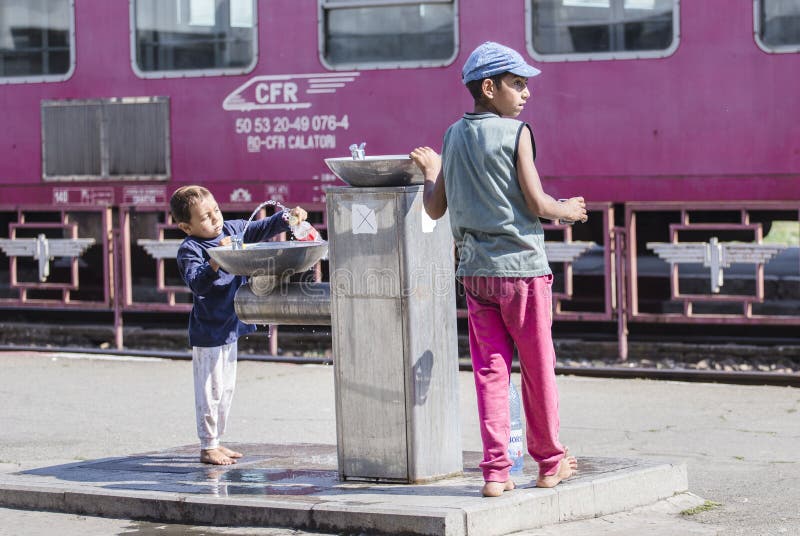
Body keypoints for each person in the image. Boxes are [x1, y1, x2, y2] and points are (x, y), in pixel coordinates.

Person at [410, 41, 587, 497]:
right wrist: (568, 210)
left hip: (476, 276)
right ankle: (549, 462)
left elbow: (433, 210)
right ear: (489, 87)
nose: (525, 93)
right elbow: (536, 202)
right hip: (522, 272)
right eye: (517, 84)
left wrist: (431, 171)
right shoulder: (517, 133)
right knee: (537, 367)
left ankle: (495, 472)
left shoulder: (451, 136)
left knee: (491, 372)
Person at [170, 185, 308, 465]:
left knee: (227, 389)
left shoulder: (232, 230)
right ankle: (207, 445)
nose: (216, 219)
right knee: (210, 390)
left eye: (216, 211)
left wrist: (286, 218)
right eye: (206, 217)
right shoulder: (190, 249)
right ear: (186, 227)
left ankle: (216, 441)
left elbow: (260, 227)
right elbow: (196, 283)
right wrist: (215, 260)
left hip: (232, 326)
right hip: (209, 330)